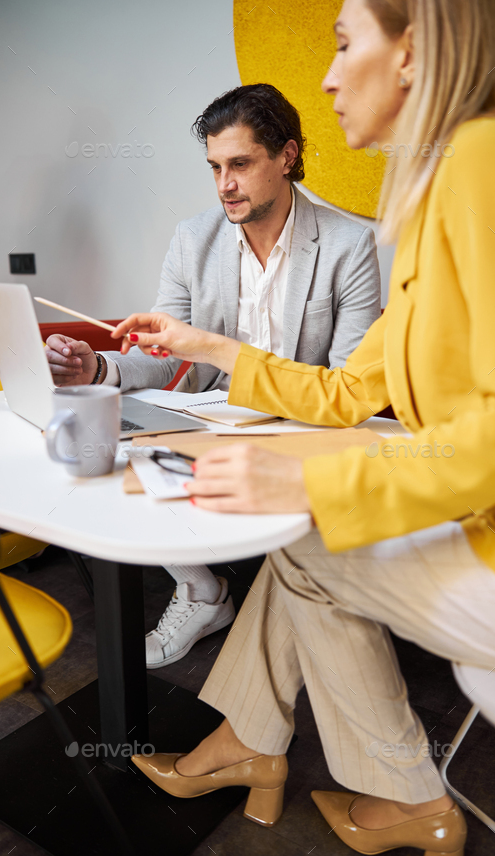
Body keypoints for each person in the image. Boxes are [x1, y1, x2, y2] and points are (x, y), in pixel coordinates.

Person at [111, 0, 495, 856]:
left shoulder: (489, 162)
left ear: (415, 49)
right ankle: (251, 745)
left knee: (307, 539)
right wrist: (204, 346)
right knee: (303, 543)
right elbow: (354, 391)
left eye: (347, 43)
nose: (327, 71)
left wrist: (319, 489)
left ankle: (407, 799)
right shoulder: (440, 191)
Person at [45, 84, 381, 669]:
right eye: (215, 167)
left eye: (241, 164)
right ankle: (202, 591)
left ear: (288, 156)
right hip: (209, 421)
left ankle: (289, 631)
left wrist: (217, 349)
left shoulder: (350, 245)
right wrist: (99, 366)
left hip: (304, 426)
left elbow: (347, 386)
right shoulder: (192, 239)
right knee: (110, 452)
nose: (225, 183)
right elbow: (168, 354)